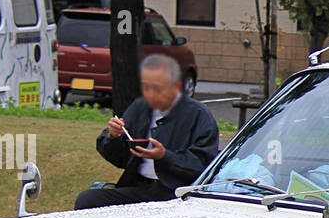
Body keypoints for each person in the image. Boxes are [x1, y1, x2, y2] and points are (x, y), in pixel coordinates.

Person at [74, 54, 220, 209]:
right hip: (138, 186)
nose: (151, 94)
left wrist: (164, 156)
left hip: (175, 193)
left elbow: (202, 166)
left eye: (157, 88)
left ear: (175, 86)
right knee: (88, 199)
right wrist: (113, 136)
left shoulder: (198, 114)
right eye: (146, 87)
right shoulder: (140, 108)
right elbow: (120, 159)